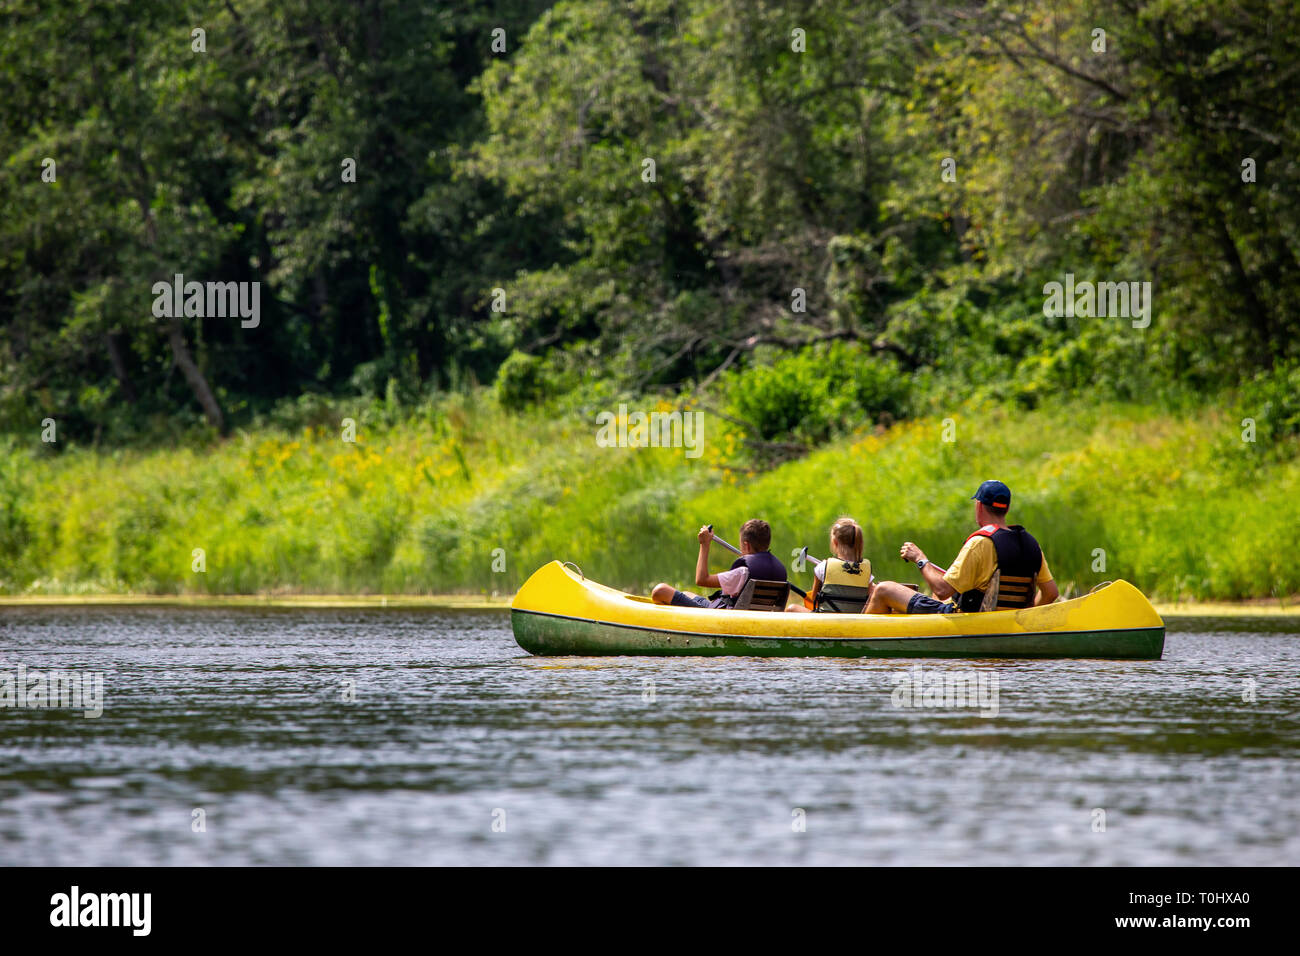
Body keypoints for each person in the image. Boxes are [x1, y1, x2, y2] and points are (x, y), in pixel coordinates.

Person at [864, 480, 1059, 614]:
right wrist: (1022, 617)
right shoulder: (1031, 544)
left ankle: (859, 636)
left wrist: (920, 559)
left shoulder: (980, 543)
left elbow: (942, 590)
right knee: (933, 595)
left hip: (966, 619)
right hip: (1005, 623)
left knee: (884, 589)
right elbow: (1051, 593)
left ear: (979, 506)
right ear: (1006, 508)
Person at [651, 519, 787, 608]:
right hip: (748, 616)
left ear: (747, 545)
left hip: (721, 618)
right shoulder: (781, 570)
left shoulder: (743, 572)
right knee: (687, 593)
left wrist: (704, 544)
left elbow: (701, 579)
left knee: (660, 590)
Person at [787, 516, 874, 613]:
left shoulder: (823, 567)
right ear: (858, 542)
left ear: (835, 542)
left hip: (826, 620)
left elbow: (814, 599)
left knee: (792, 608)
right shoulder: (867, 572)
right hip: (855, 620)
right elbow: (870, 600)